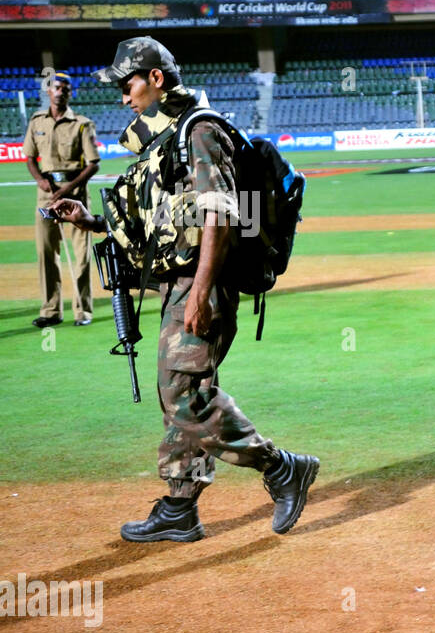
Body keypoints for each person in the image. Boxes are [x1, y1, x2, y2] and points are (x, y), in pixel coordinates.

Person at [52, 37, 319, 543]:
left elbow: (218, 213)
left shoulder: (199, 130)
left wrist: (200, 292)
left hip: (202, 284)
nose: (123, 97)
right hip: (183, 282)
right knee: (183, 394)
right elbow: (166, 224)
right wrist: (91, 222)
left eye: (127, 84)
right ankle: (178, 508)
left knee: (182, 397)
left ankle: (281, 467)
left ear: (155, 78)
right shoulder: (165, 138)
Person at [24, 71, 100, 328]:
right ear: (49, 91)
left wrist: (69, 187)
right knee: (46, 253)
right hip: (46, 196)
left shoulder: (81, 124)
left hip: (76, 196)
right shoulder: (36, 122)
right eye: (57, 87)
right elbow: (29, 158)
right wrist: (40, 180)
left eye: (66, 89)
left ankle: (83, 311)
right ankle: (51, 311)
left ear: (70, 93)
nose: (61, 91)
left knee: (81, 256)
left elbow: (93, 165)